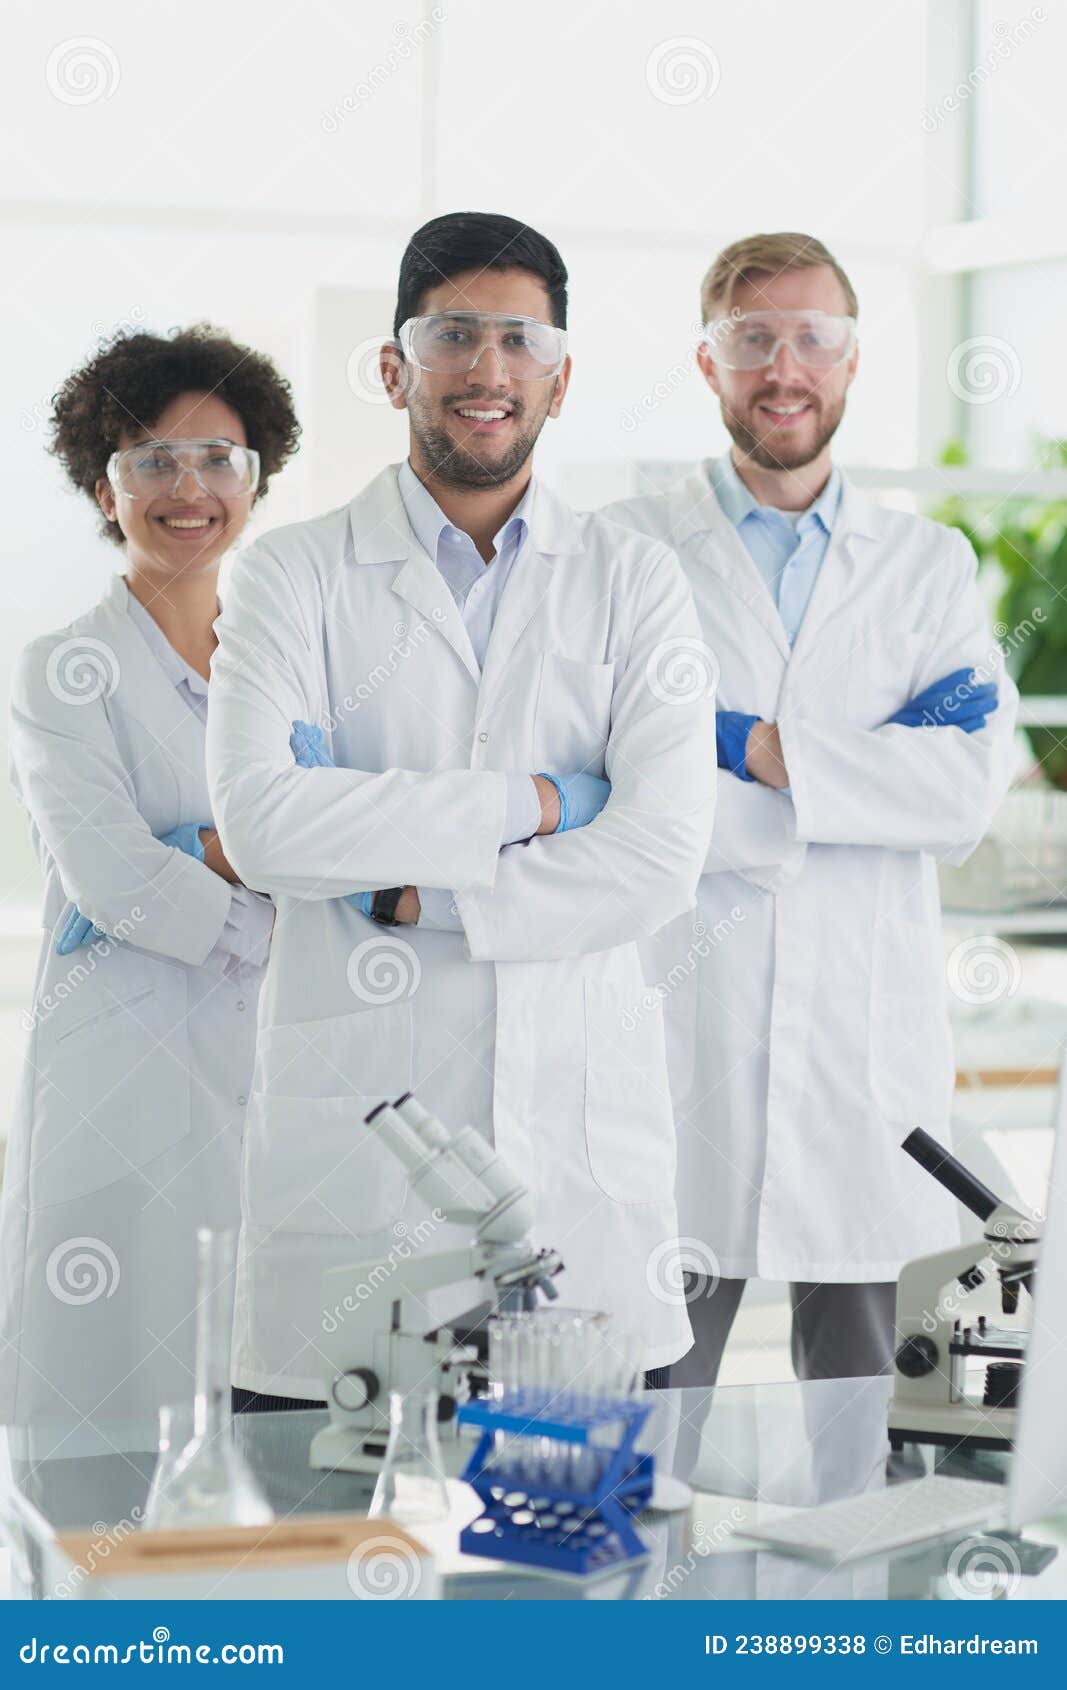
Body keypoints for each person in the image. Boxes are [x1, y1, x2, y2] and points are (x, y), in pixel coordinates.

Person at [205, 211, 716, 1410]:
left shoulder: (633, 579)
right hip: (357, 1168)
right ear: (393, 367)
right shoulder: (292, 573)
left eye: (518, 340)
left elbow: (658, 857)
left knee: (569, 1570)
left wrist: (408, 890)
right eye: (451, 337)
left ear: (560, 375)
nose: (486, 369)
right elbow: (268, 826)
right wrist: (538, 801)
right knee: (325, 1558)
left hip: (576, 1162)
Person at [603, 232, 1018, 1386]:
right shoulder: (627, 555)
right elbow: (626, 795)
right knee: (651, 1420)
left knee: (865, 1439)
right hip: (682, 1033)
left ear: (848, 361)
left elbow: (961, 795)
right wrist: (853, 782)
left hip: (863, 1064)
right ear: (705, 363)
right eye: (751, 339)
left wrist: (754, 748)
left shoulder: (925, 565)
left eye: (811, 339)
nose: (782, 367)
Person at [0, 326, 300, 1444]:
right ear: (101, 483)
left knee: (267, 1431)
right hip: (121, 1082)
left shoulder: (291, 658)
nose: (190, 488)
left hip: (273, 1087)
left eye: (219, 459)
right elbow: (112, 877)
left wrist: (206, 843)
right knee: (109, 1430)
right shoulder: (63, 667)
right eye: (153, 460)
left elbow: (343, 842)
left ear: (256, 479)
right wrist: (254, 860)